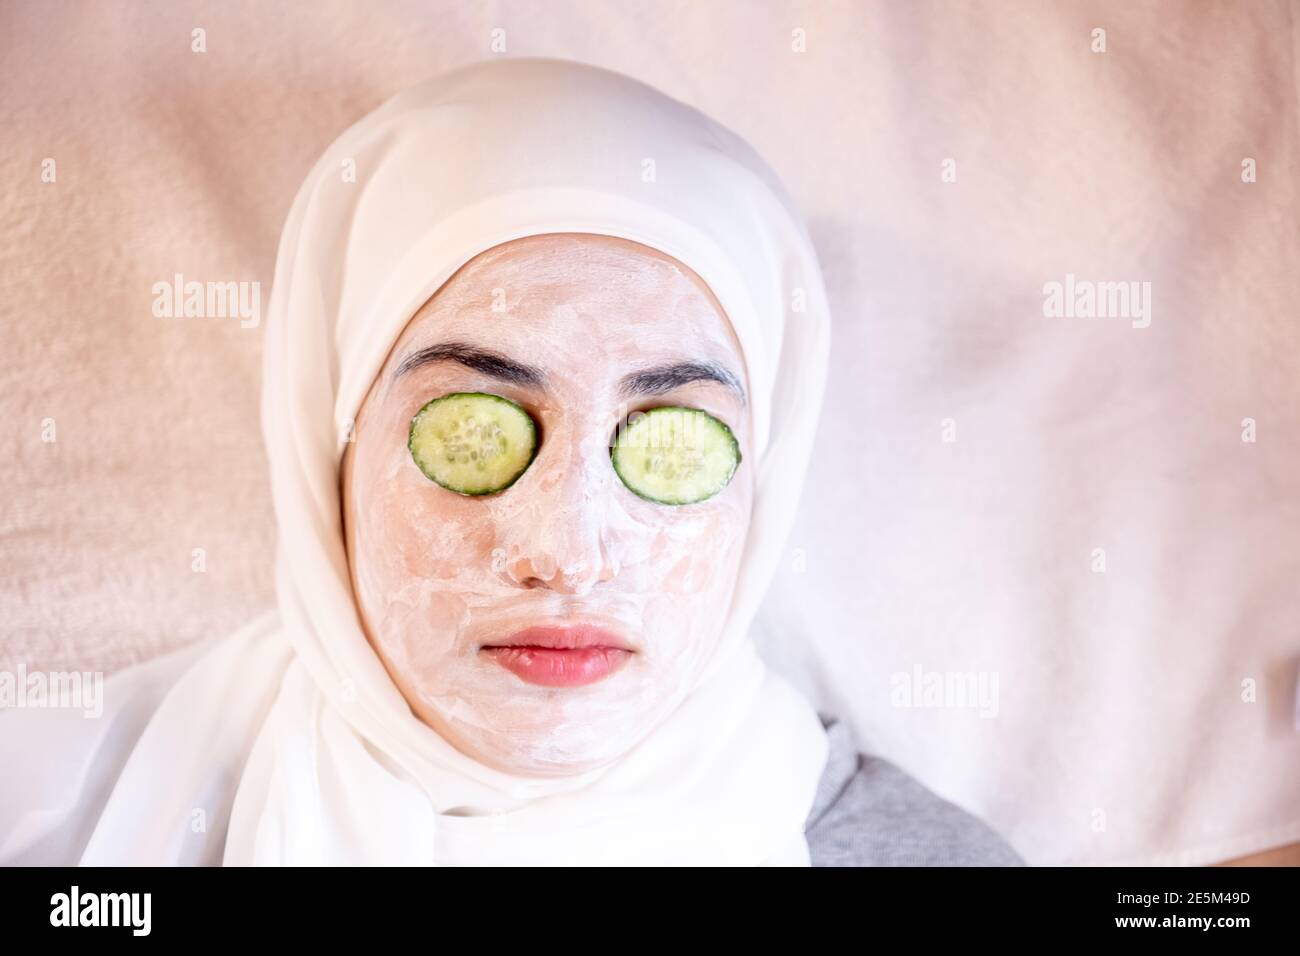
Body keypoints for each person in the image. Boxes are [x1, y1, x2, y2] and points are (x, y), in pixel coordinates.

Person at [0, 57, 1021, 866]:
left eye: (670, 442)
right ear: (326, 458)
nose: (567, 552)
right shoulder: (72, 805)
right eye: (475, 428)